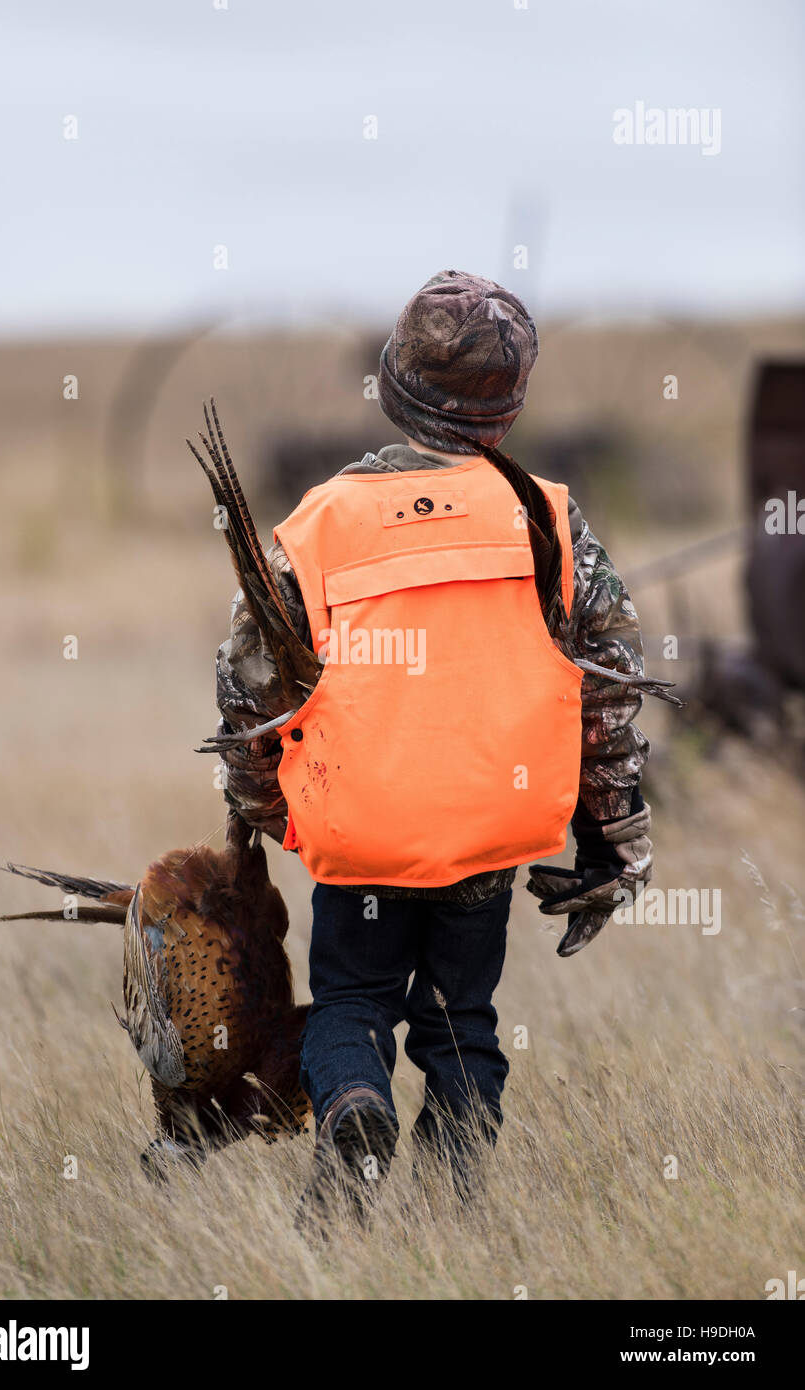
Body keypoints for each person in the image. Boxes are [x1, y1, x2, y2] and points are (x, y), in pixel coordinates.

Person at [214, 270, 669, 1221]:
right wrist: (614, 841)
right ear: (507, 414)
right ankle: (454, 1215)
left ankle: (353, 1110)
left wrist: (272, 817)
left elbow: (247, 690)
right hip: (489, 829)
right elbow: (609, 687)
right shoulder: (546, 516)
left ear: (387, 384)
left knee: (351, 1003)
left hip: (363, 831)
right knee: (463, 1022)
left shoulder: (321, 520)